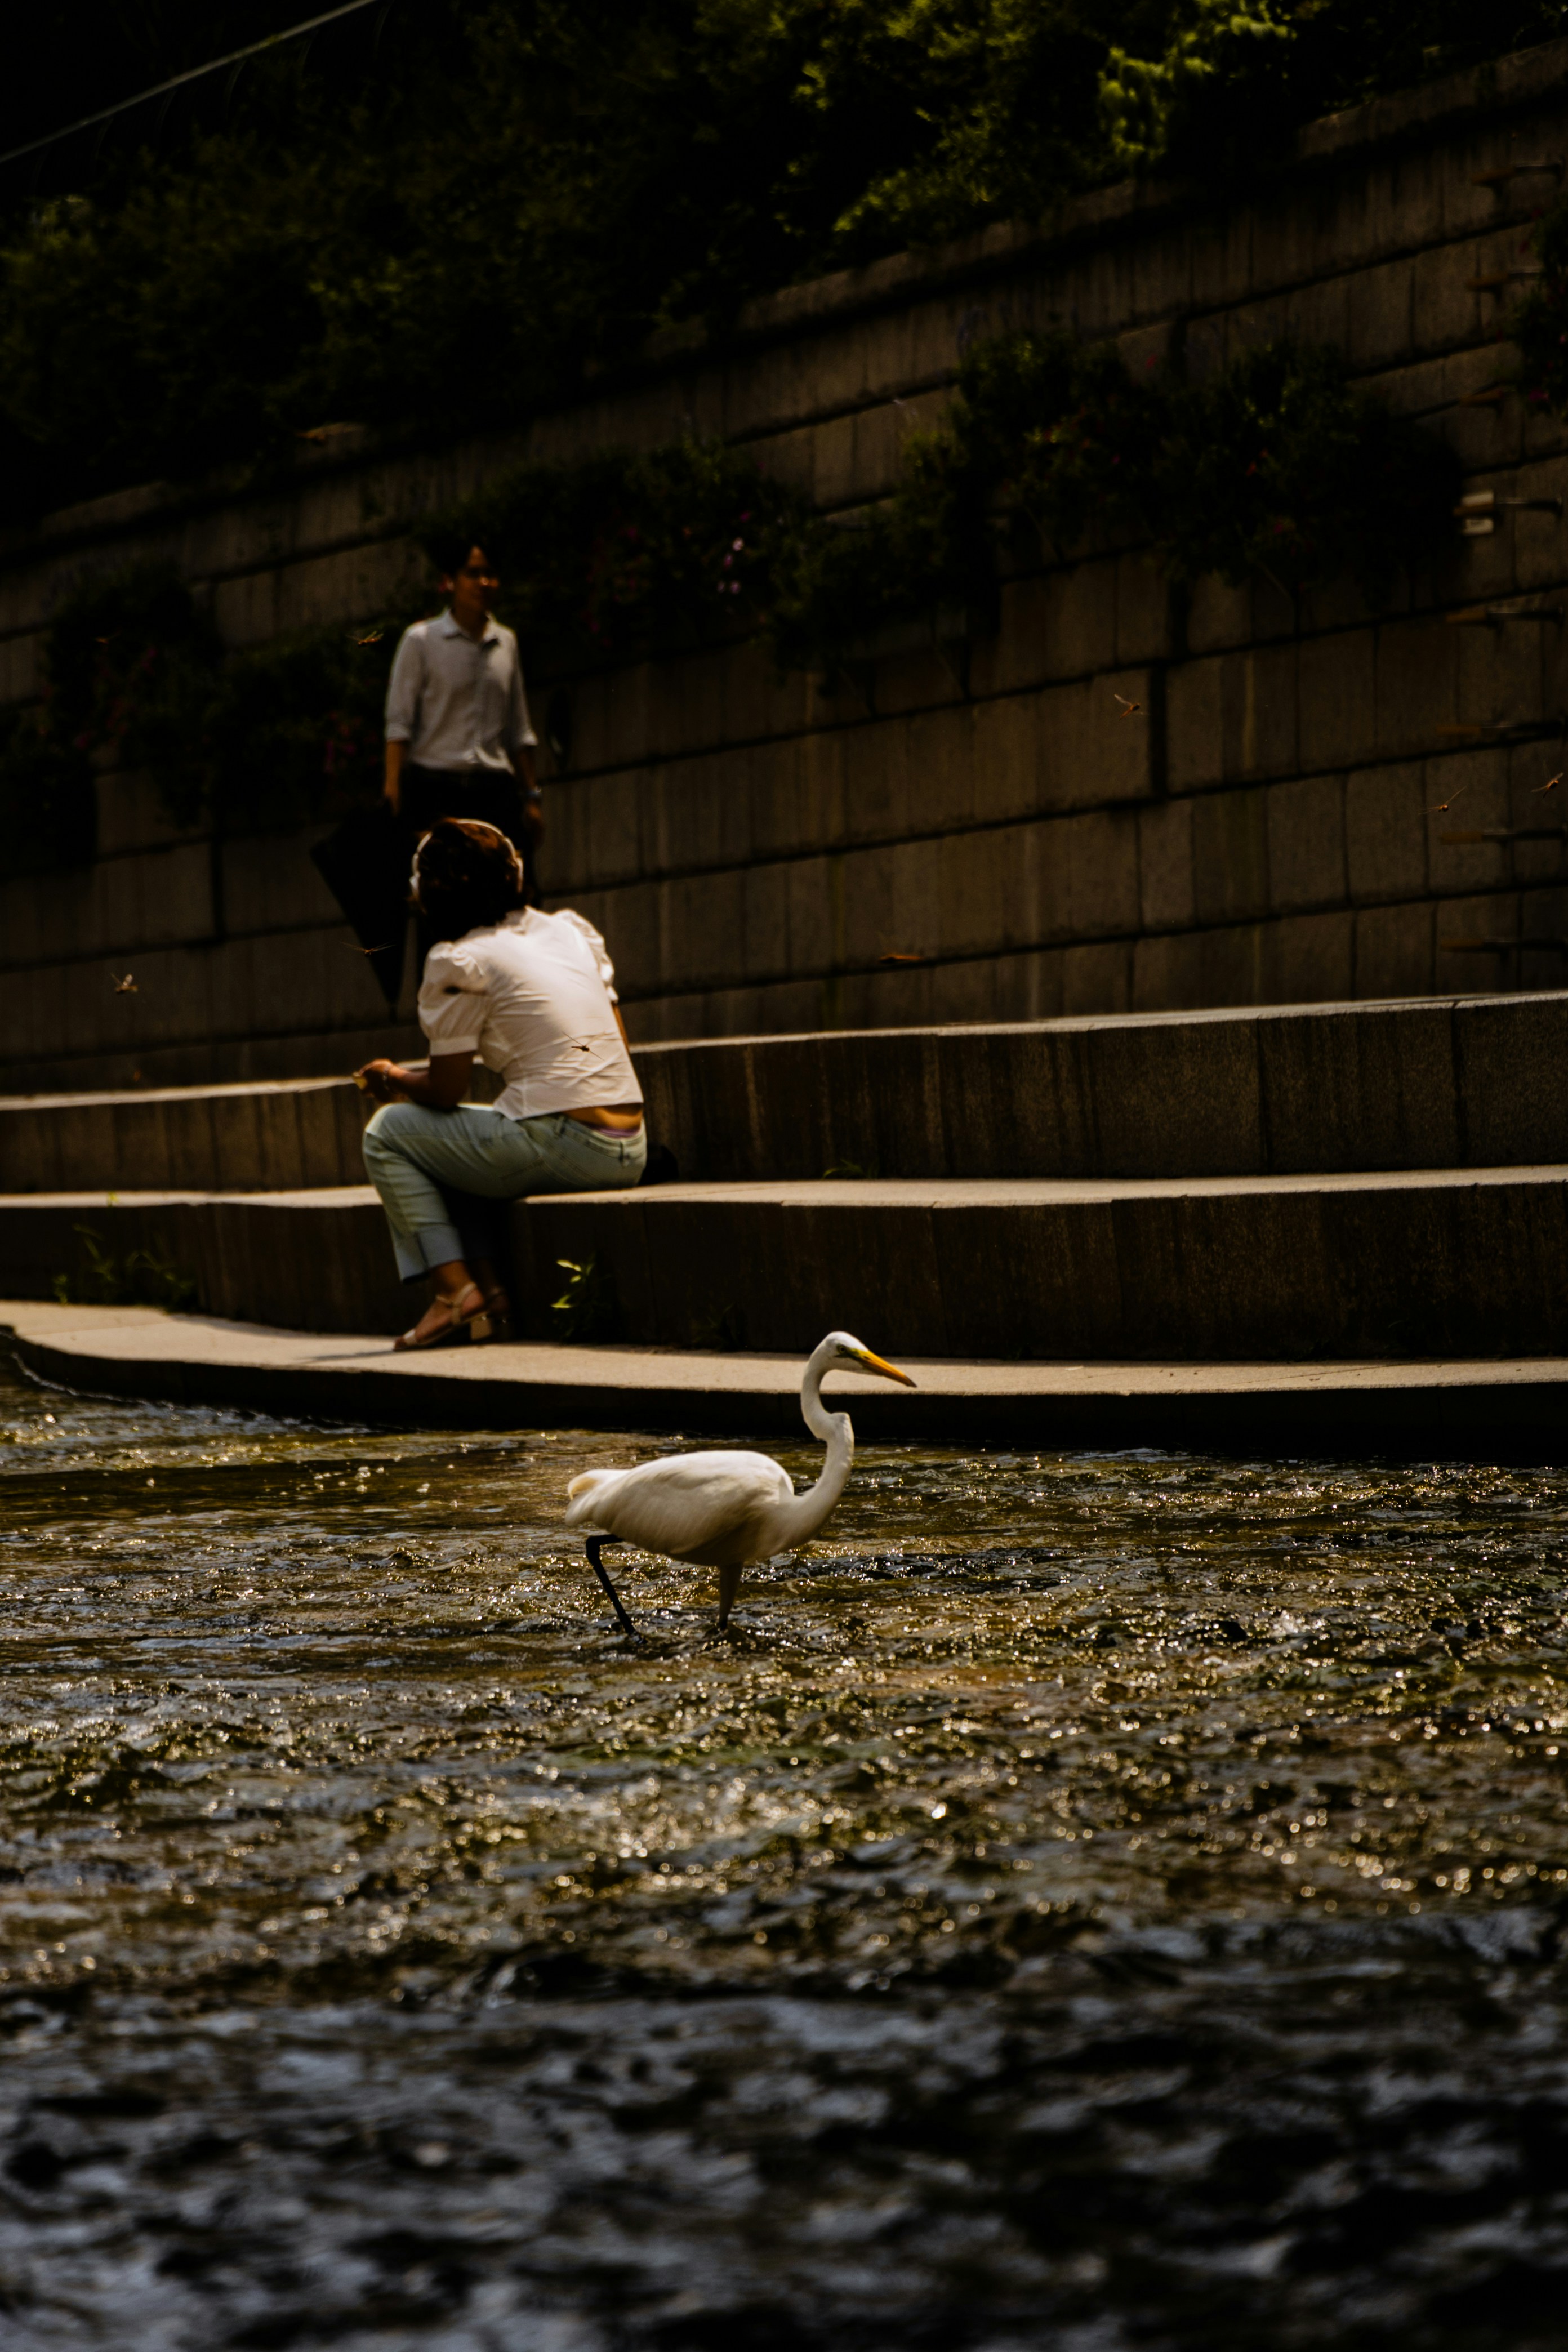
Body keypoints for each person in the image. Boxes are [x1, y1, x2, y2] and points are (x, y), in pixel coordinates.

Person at [355, 819, 645, 1351]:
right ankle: (491, 1293)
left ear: (429, 894)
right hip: (632, 1143)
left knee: (390, 1132)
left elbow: (444, 1091)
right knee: (457, 1134)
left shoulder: (460, 960)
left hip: (570, 1144)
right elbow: (615, 1049)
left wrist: (392, 1078)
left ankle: (454, 1292)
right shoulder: (568, 930)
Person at [384, 533, 544, 906]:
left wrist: (532, 797)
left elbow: (519, 730)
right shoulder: (421, 641)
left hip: (493, 789)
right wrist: (393, 790)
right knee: (441, 902)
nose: (483, 583)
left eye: (490, 574)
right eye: (473, 573)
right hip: (436, 790)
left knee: (518, 897)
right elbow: (399, 723)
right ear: (451, 581)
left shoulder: (506, 643)